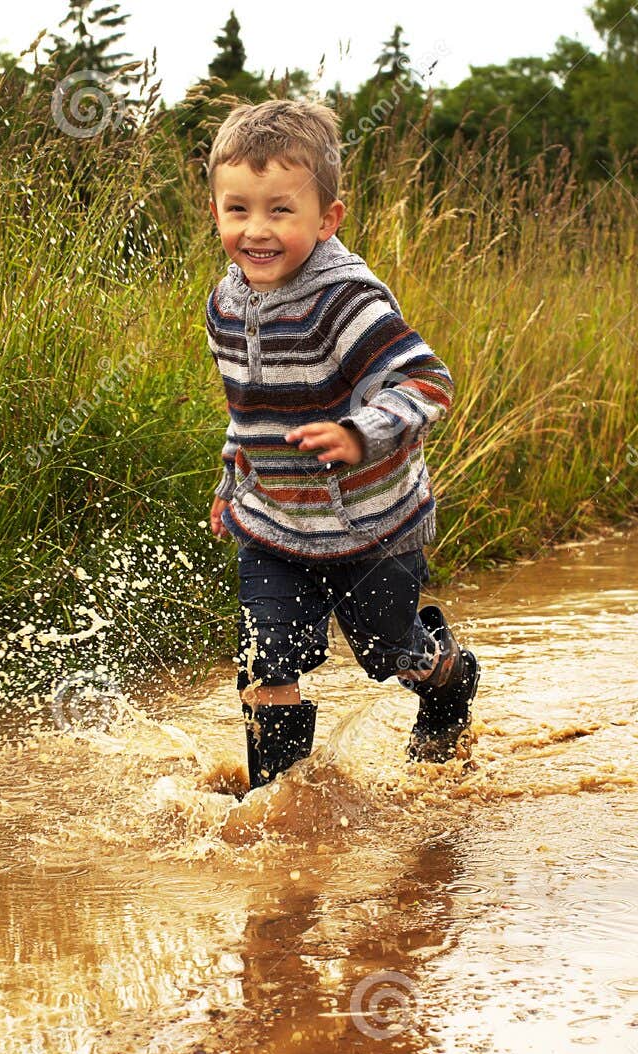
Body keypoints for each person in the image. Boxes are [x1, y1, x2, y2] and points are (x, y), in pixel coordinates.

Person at [202, 98, 480, 794]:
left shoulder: (345, 303)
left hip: (372, 529)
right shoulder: (225, 307)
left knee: (389, 654)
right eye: (238, 210)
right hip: (275, 527)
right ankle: (280, 815)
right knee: (267, 661)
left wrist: (361, 433)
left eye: (280, 211)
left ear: (328, 219)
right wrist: (233, 483)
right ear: (215, 212)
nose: (256, 230)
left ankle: (447, 675)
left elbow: (426, 382)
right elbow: (250, 413)